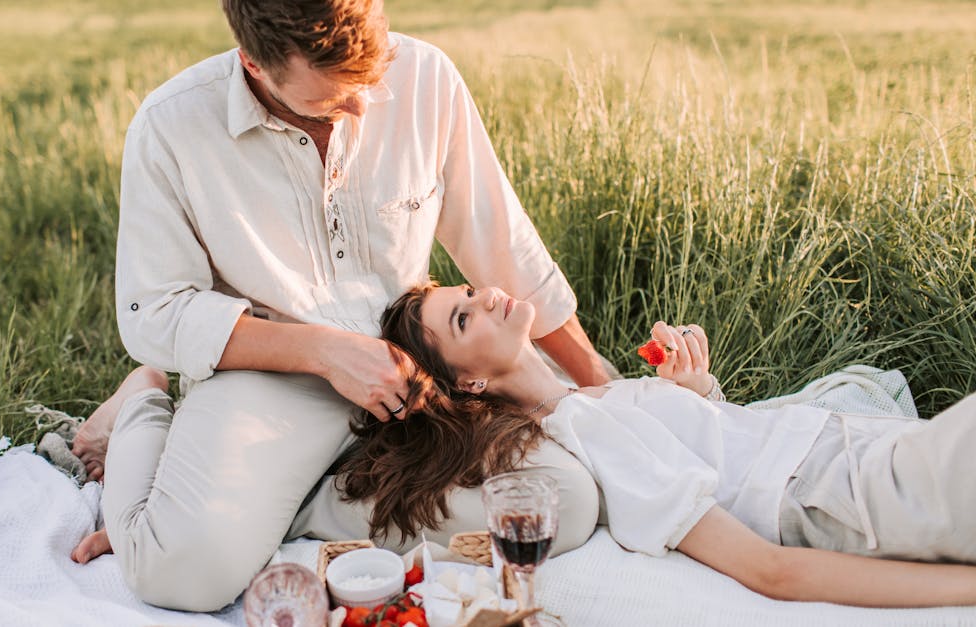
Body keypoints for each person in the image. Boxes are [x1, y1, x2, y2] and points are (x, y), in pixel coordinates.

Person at [68, 0, 613, 611]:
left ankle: (291, 505)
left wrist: (598, 385)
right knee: (179, 574)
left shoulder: (426, 76)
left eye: (371, 78)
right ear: (253, 63)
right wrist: (324, 352)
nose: (362, 106)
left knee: (559, 505)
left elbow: (503, 245)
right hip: (269, 377)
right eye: (332, 98)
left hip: (416, 376)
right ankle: (140, 405)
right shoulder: (171, 127)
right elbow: (155, 311)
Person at [335, 281, 976, 607]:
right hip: (851, 491)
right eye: (464, 317)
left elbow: (720, 452)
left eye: (467, 291)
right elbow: (768, 571)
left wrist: (694, 394)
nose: (487, 295)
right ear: (468, 383)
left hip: (862, 456)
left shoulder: (588, 403)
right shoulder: (579, 430)